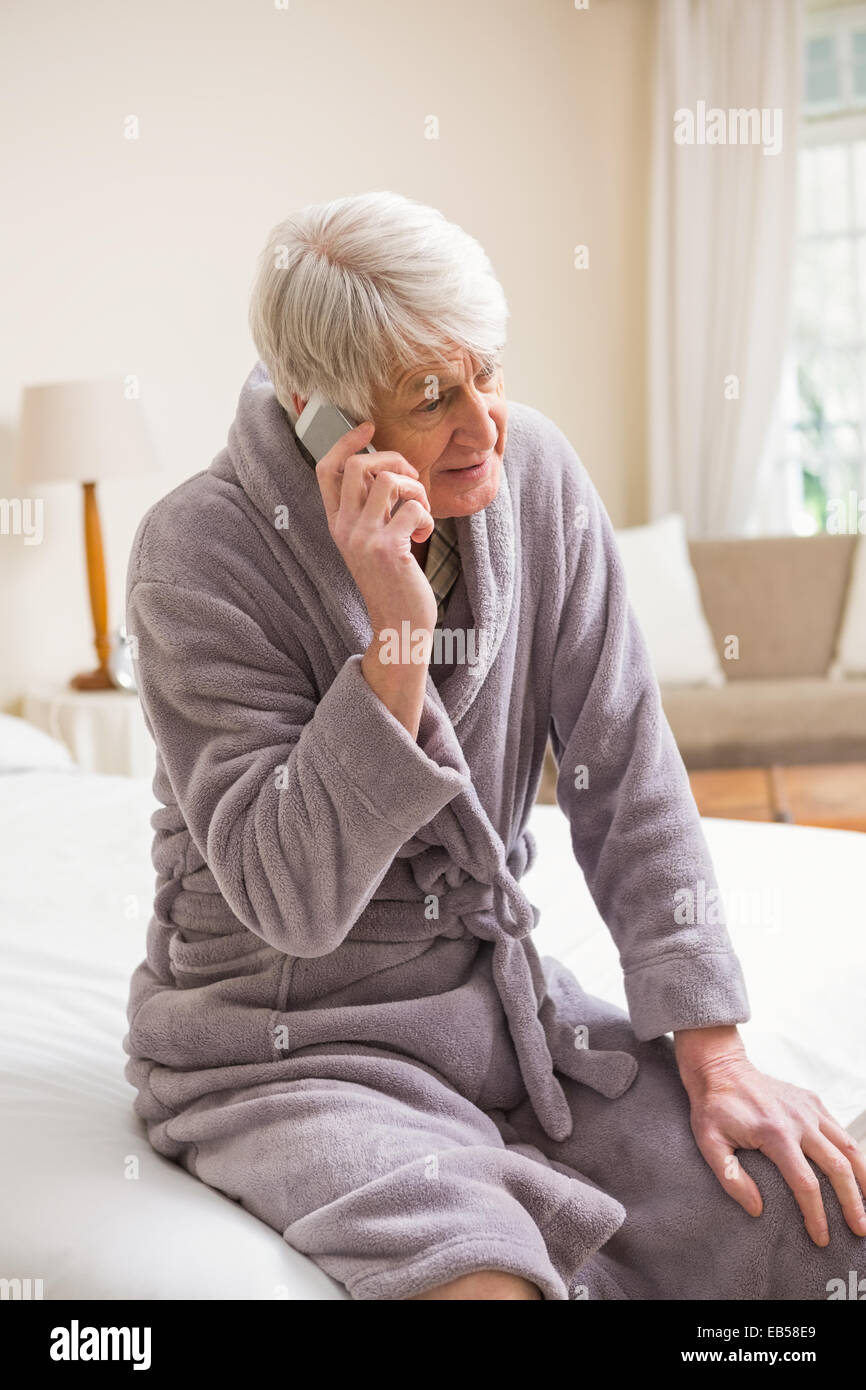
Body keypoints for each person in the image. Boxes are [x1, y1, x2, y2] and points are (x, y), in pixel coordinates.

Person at [123, 190, 866, 1300]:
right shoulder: (194, 555)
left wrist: (712, 1052)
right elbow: (292, 901)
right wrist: (392, 640)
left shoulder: (537, 483)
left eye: (489, 373)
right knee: (479, 1281)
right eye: (432, 397)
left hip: (496, 1009)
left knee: (809, 1215)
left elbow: (627, 778)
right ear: (318, 413)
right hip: (284, 1048)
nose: (484, 427)